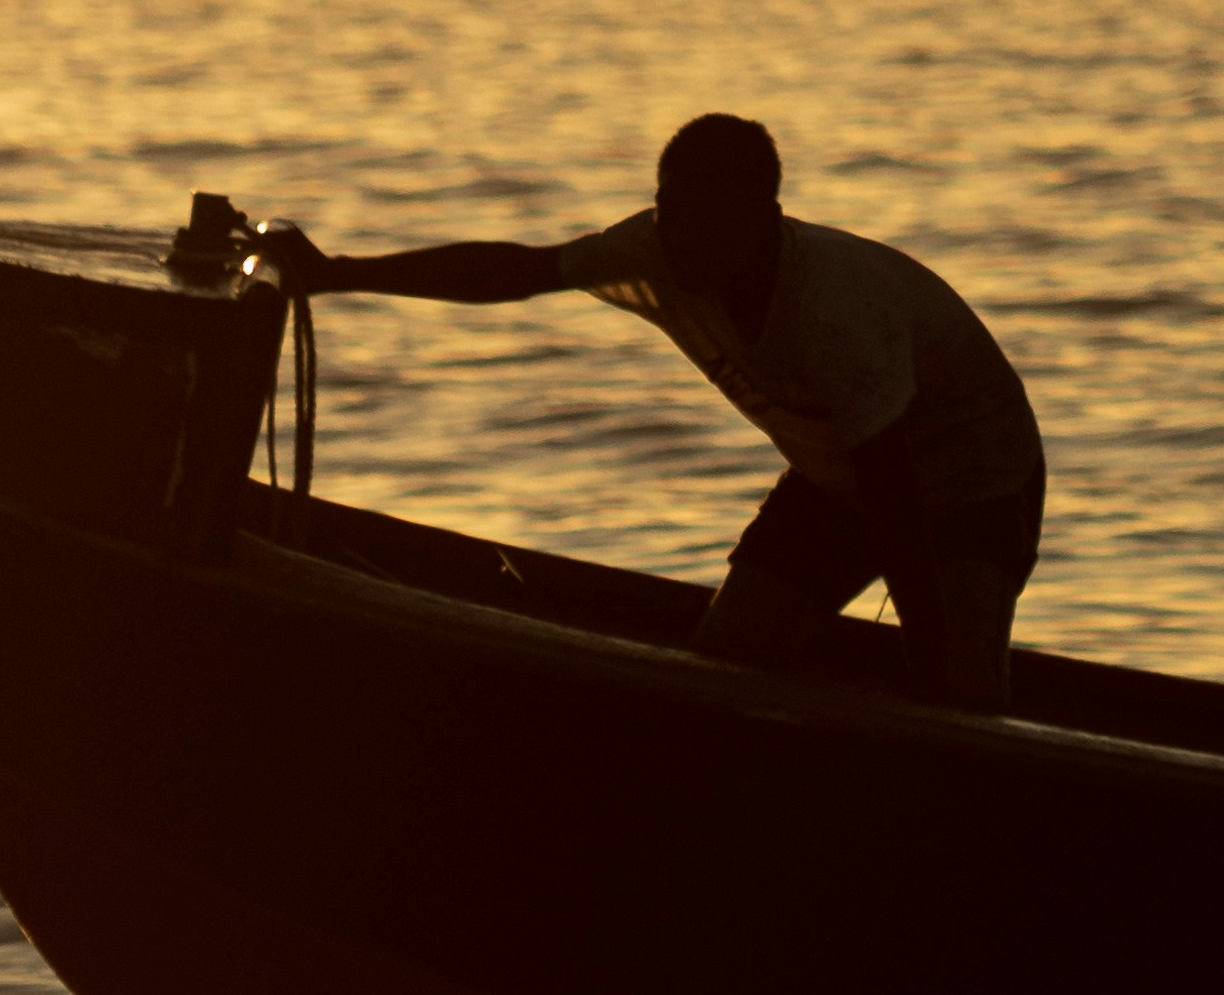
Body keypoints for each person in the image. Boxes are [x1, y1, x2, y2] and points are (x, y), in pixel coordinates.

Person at [270, 114, 1044, 711]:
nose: (679, 238)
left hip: (974, 475)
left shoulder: (835, 310)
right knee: (723, 662)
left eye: (704, 221)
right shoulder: (651, 253)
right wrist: (336, 274)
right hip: (837, 472)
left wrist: (932, 672)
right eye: (668, 209)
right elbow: (511, 270)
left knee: (962, 698)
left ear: (762, 218)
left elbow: (895, 500)